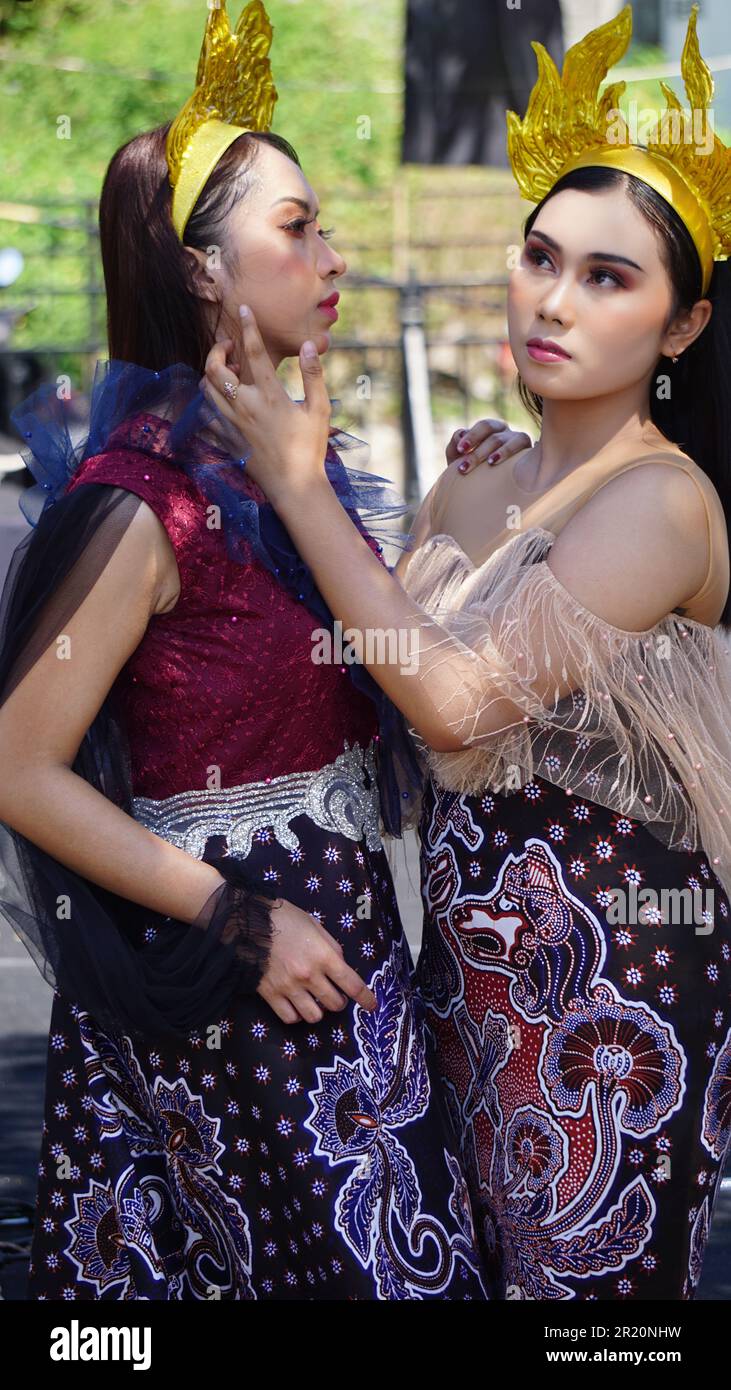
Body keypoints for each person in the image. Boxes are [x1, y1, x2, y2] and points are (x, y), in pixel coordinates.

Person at [201, 4, 731, 1299]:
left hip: (616, 989)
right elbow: (382, 667)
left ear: (681, 330)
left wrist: (306, 487)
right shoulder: (481, 482)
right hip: (452, 974)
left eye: (610, 278)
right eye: (542, 255)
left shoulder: (662, 506)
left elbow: (453, 707)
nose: (553, 297)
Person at [0, 0, 512, 1301]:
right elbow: (17, 766)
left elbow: (409, 670)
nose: (333, 255)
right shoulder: (145, 498)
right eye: (298, 227)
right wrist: (239, 917)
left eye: (324, 222)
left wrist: (483, 499)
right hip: (220, 986)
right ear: (202, 272)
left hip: (341, 959)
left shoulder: (287, 473)